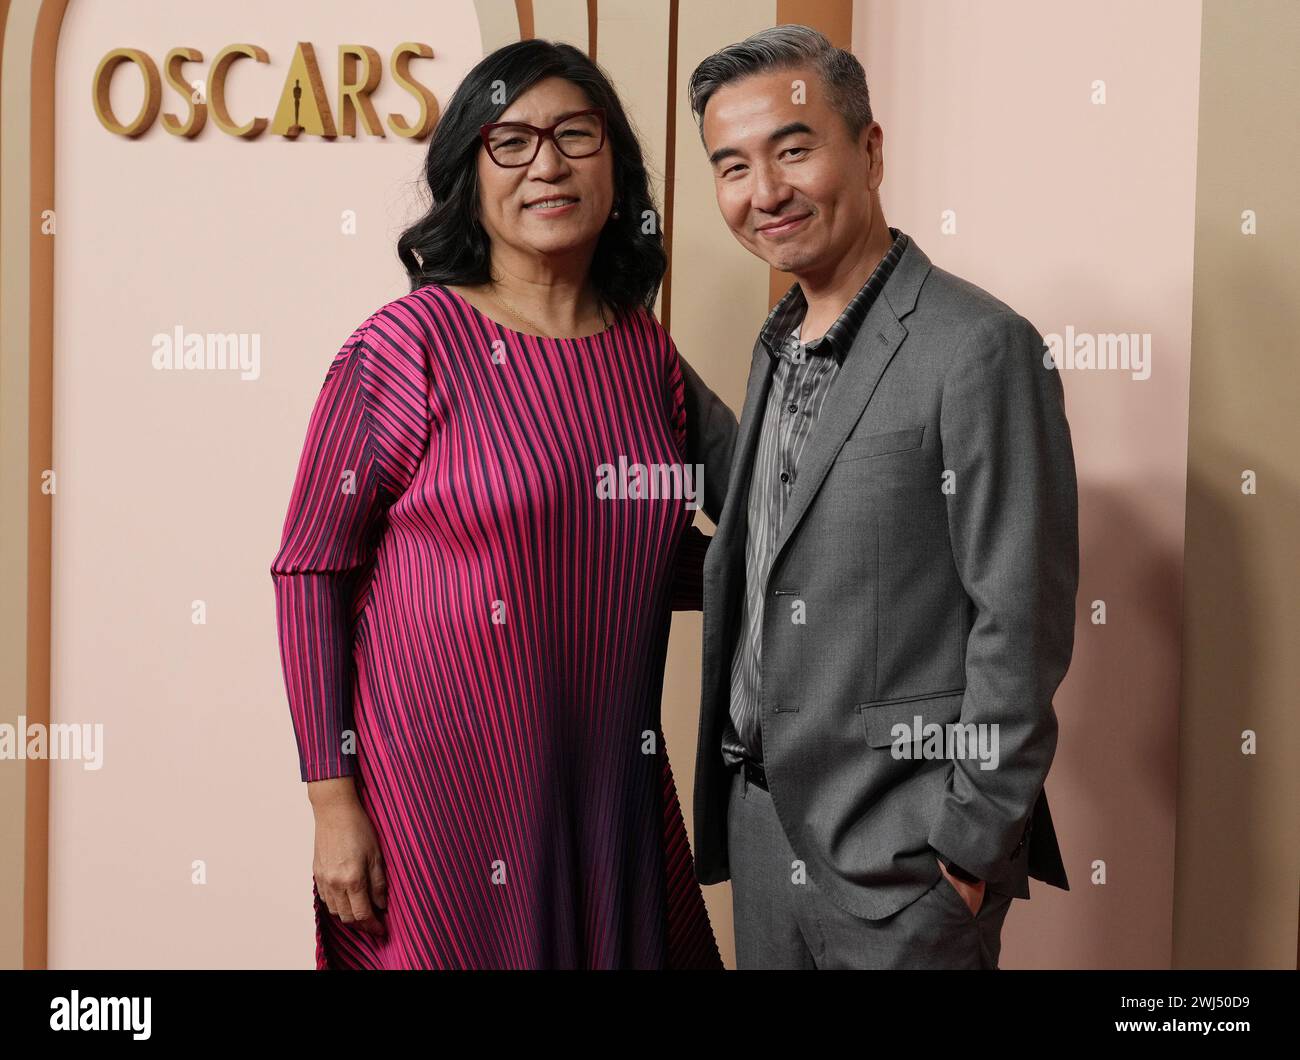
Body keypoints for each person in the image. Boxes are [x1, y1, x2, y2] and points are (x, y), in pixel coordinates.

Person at [269, 38, 736, 969]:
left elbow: (649, 550)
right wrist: (332, 802)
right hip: (439, 806)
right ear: (467, 178)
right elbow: (311, 568)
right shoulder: (409, 347)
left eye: (576, 134)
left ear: (618, 169)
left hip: (611, 793)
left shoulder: (646, 359)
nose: (548, 163)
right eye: (509, 141)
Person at [684, 25, 1078, 969]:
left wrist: (968, 849)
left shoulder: (978, 346)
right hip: (761, 826)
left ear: (869, 148)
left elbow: (1019, 620)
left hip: (905, 860)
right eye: (731, 166)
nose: (763, 192)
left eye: (792, 149)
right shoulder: (778, 343)